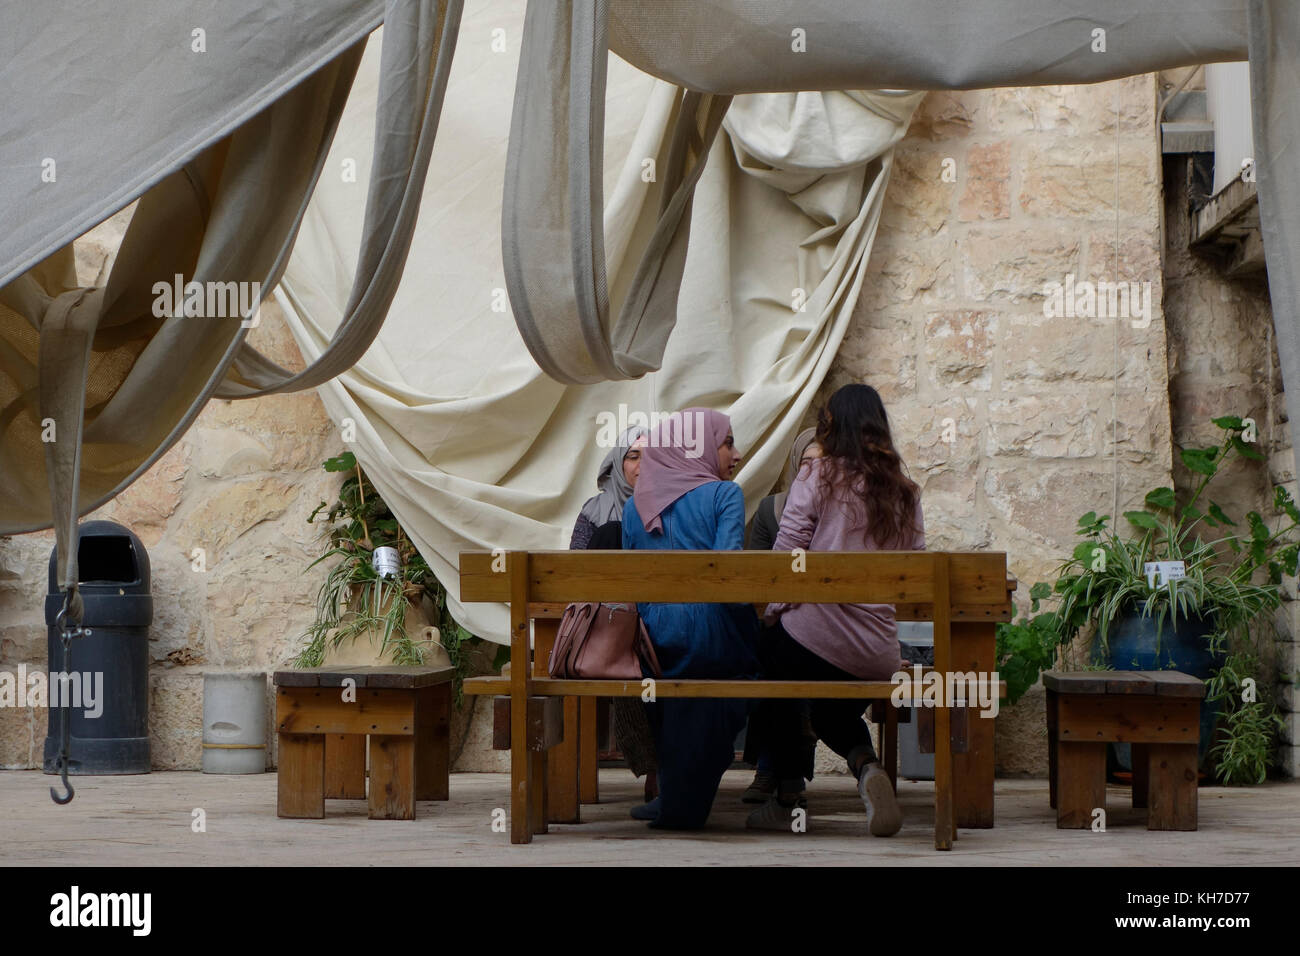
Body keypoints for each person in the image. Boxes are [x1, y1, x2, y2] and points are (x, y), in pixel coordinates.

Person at [746, 384, 924, 836]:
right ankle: (867, 767)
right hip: (877, 652)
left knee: (769, 660)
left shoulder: (818, 474)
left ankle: (785, 796)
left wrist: (773, 613)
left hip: (816, 636)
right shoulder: (906, 492)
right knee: (829, 713)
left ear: (833, 426)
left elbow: (788, 554)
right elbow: (915, 569)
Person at [622, 407, 760, 829]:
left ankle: (674, 799)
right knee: (760, 654)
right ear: (699, 447)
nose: (736, 455)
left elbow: (630, 583)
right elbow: (728, 576)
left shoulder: (635, 506)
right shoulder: (724, 495)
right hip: (711, 636)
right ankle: (688, 801)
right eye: (728, 442)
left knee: (678, 694)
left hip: (652, 641)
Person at [568, 427, 659, 801]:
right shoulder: (595, 511)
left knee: (653, 662)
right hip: (609, 631)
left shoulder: (671, 507)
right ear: (619, 464)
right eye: (633, 456)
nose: (641, 466)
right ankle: (656, 767)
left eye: (649, 457)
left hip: (657, 624)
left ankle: (662, 767)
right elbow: (574, 576)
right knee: (628, 660)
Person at [741, 427, 822, 803]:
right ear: (794, 464)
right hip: (778, 618)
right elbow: (757, 575)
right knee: (776, 655)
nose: (812, 471)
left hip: (825, 626)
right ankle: (787, 775)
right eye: (806, 462)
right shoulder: (772, 509)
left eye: (822, 463)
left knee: (785, 660)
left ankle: (771, 770)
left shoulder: (841, 515)